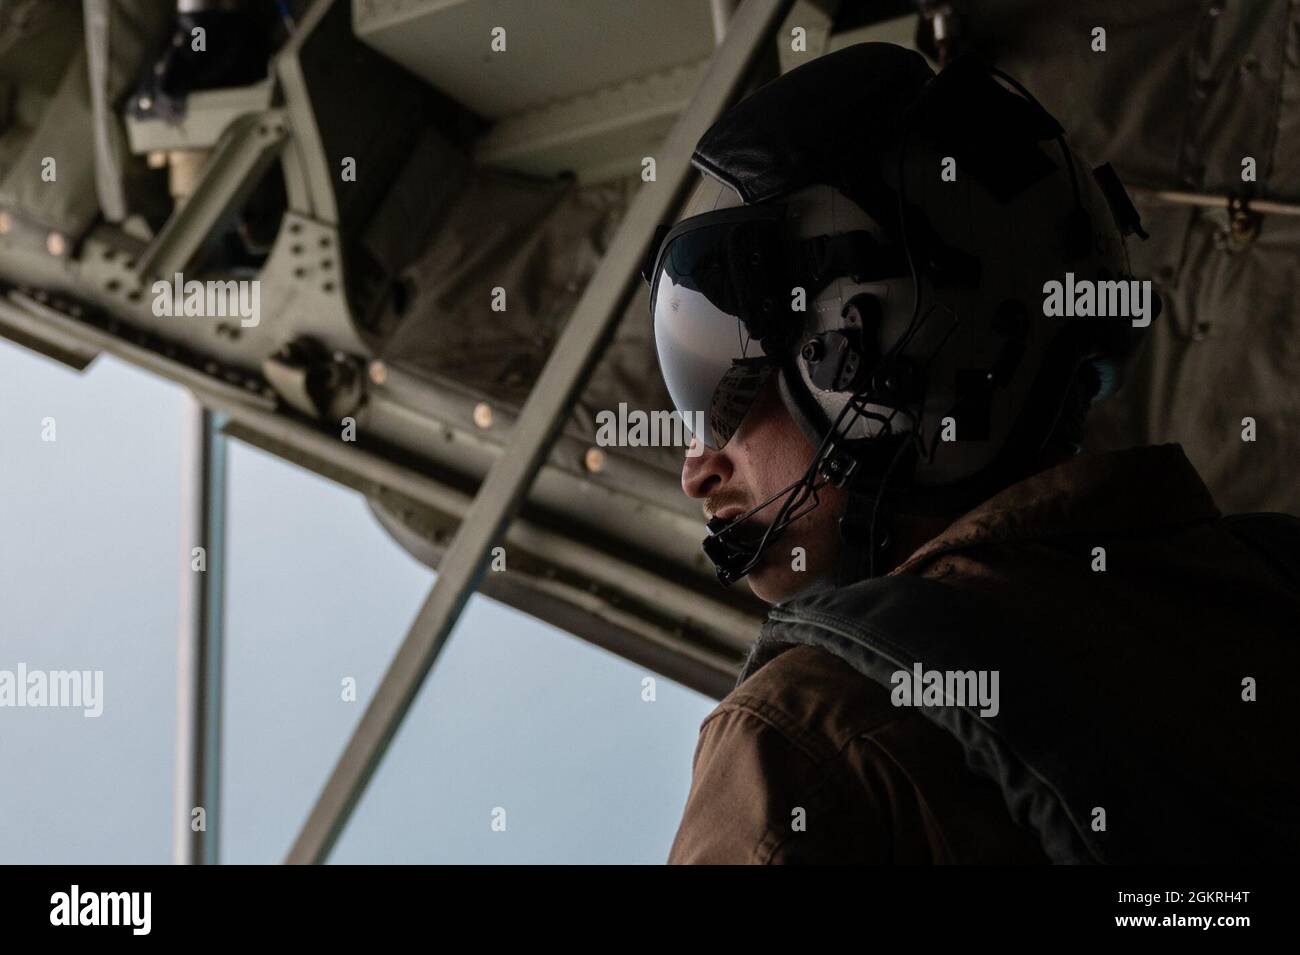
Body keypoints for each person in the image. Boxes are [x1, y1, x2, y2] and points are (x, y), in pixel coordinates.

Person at [645, 42, 1300, 864]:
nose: (696, 465)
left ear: (875, 355)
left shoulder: (810, 738)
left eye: (727, 389)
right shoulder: (1273, 579)